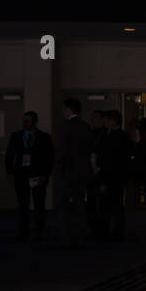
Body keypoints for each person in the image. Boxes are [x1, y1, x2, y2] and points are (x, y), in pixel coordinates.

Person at [5, 111, 55, 242]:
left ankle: (39, 231)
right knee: (23, 205)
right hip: (21, 175)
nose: (24, 123)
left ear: (34, 122)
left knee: (39, 204)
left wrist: (45, 175)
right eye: (24, 120)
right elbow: (9, 155)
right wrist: (9, 172)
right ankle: (23, 232)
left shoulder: (44, 137)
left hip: (38, 175)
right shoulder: (16, 136)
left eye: (27, 120)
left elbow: (49, 158)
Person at [57, 98, 95, 241]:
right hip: (83, 171)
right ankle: (83, 233)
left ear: (68, 110)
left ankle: (65, 236)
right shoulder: (85, 126)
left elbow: (62, 152)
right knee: (80, 204)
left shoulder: (65, 127)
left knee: (63, 206)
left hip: (67, 172)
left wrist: (59, 170)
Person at [93, 110, 132, 241]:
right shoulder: (120, 136)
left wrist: (103, 178)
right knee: (115, 206)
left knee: (108, 206)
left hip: (111, 176)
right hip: (116, 177)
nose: (104, 122)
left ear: (112, 121)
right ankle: (113, 232)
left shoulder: (112, 137)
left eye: (106, 120)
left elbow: (110, 160)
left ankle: (108, 233)